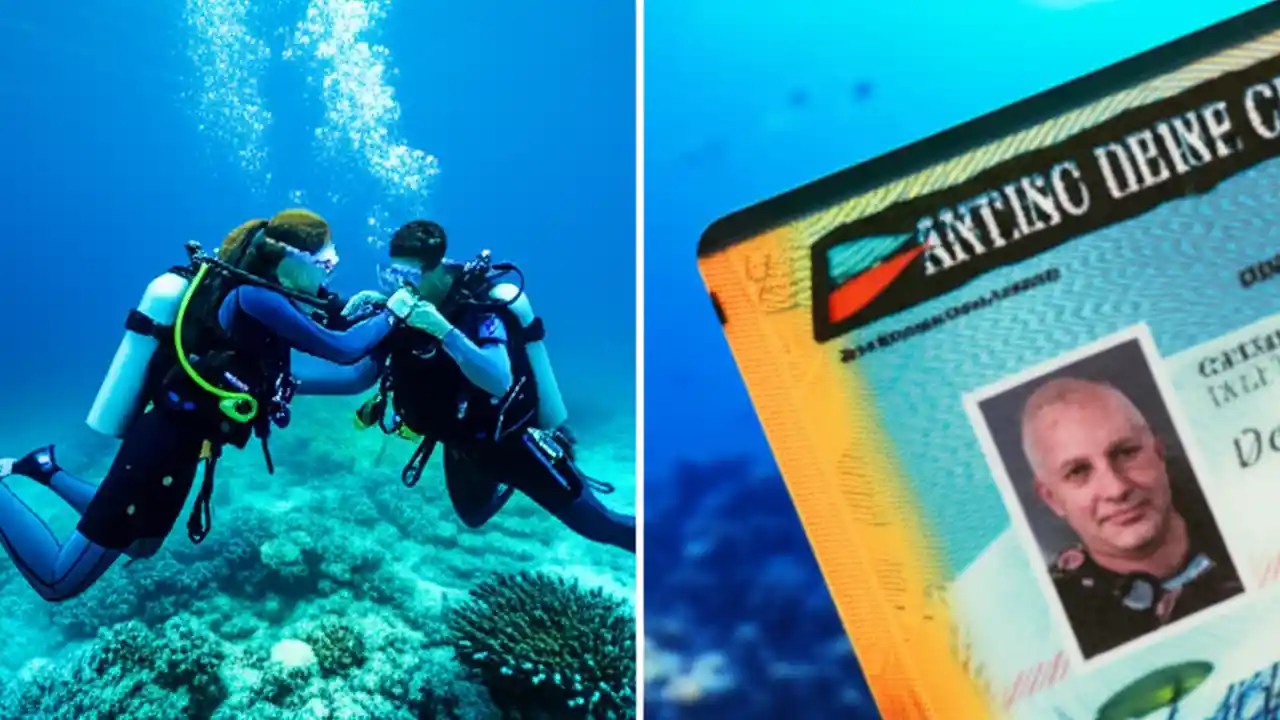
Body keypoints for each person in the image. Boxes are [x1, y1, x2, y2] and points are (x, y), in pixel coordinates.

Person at [0, 209, 426, 602]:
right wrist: (394, 314)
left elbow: (352, 374)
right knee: (58, 582)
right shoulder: (255, 298)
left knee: (141, 545)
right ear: (290, 259)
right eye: (325, 264)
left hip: (186, 449)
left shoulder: (274, 298)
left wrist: (386, 347)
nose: (329, 275)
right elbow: (342, 349)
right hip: (159, 449)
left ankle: (43, 468)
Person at [294, 220, 635, 554]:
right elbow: (360, 378)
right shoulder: (400, 314)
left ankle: (668, 551)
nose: (401, 287)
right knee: (472, 516)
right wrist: (293, 385)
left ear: (437, 269)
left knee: (600, 526)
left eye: (410, 277)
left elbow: (498, 379)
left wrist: (444, 331)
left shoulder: (479, 309)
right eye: (391, 275)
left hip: (512, 440)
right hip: (463, 443)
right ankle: (512, 480)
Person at [1019, 376, 1243, 658]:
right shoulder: (1057, 631)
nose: (1117, 488)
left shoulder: (1248, 513)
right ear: (1052, 499)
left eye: (1126, 453)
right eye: (1078, 472)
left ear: (1159, 455)